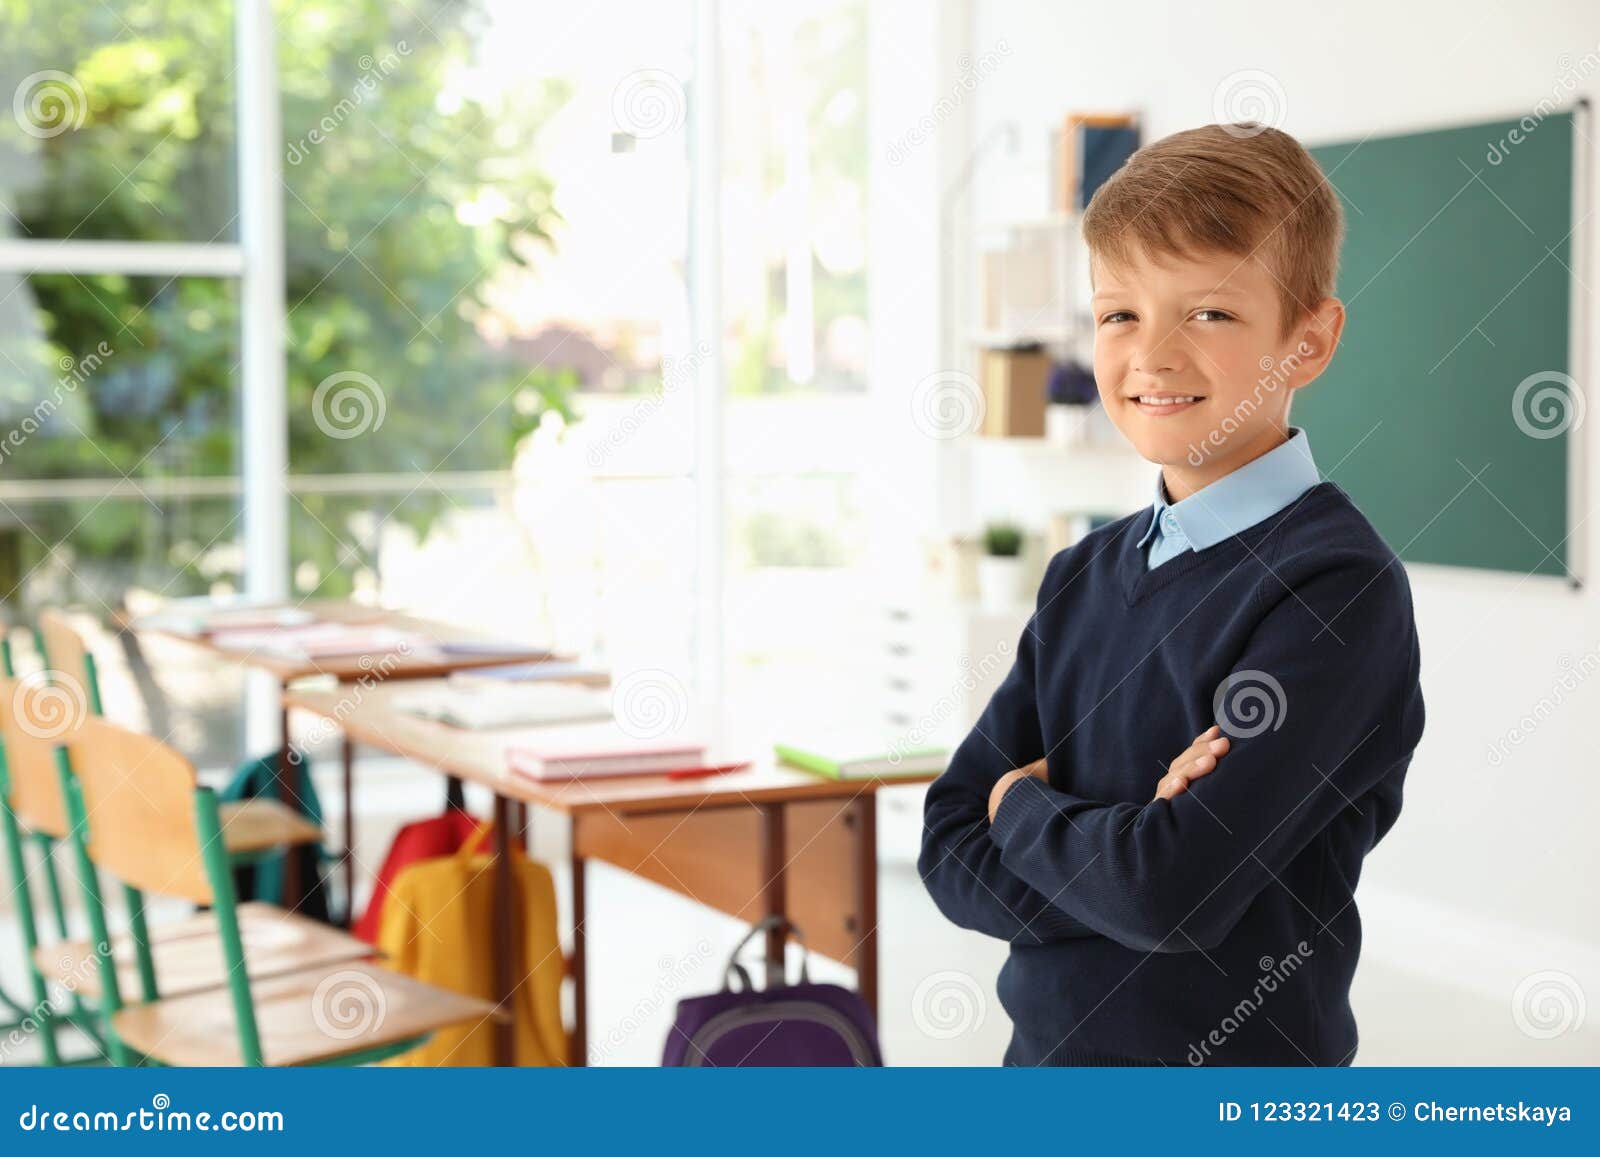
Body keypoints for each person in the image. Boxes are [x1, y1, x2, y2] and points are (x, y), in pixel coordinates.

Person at [918, 122, 1426, 1066]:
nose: (1151, 356)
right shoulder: (1084, 573)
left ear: (1308, 340)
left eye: (1210, 315)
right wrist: (1125, 846)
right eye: (1119, 315)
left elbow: (1172, 895)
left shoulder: (1336, 589)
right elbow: (947, 850)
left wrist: (1018, 809)